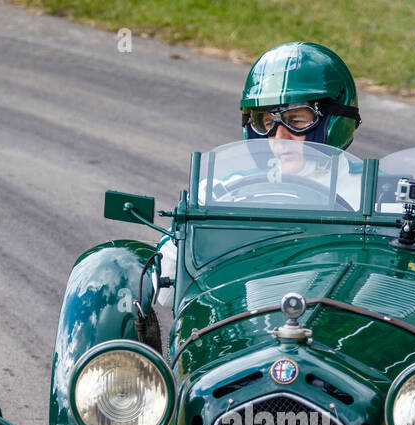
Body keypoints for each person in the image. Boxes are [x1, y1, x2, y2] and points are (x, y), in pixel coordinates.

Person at [154, 42, 362, 311]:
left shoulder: (383, 198)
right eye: (267, 123)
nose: (279, 138)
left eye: (296, 121)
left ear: (333, 120)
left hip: (335, 331)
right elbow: (163, 286)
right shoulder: (219, 193)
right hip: (238, 330)